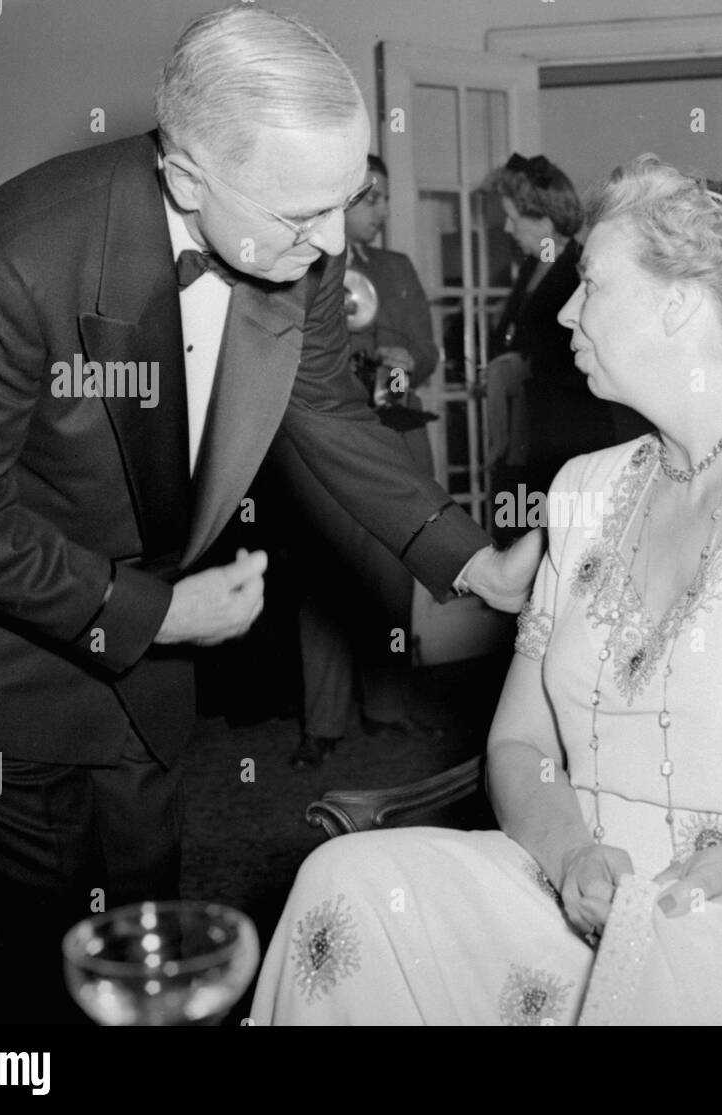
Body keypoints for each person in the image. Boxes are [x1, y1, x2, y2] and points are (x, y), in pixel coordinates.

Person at [0, 7, 537, 1026]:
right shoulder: (16, 252)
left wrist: (468, 558)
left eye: (344, 202)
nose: (334, 242)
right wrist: (157, 611)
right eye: (302, 216)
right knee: (34, 956)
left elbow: (326, 411)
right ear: (189, 180)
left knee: (150, 921)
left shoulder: (305, 246)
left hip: (146, 665)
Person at [249, 155, 722, 1026]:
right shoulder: (583, 489)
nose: (563, 310)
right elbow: (519, 745)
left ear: (676, 301)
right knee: (344, 881)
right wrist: (569, 857)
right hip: (576, 897)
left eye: (589, 283)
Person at [290, 154, 444, 766]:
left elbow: (429, 354)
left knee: (390, 583)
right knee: (325, 584)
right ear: (341, 203)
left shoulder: (399, 270)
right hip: (328, 448)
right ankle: (320, 725)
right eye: (372, 199)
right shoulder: (301, 269)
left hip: (395, 444)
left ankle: (388, 711)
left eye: (383, 199)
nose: (383, 210)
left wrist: (407, 358)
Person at [483, 154, 634, 540]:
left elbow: (591, 361)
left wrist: (522, 367)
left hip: (567, 441)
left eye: (515, 218)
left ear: (546, 223)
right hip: (529, 437)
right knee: (518, 542)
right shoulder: (537, 266)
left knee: (562, 546)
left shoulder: (579, 271)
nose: (506, 226)